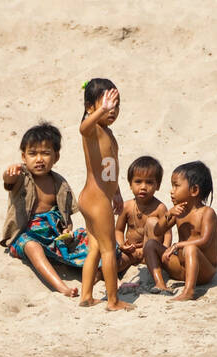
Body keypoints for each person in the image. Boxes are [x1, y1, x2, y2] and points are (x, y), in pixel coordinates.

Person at [1, 121, 86, 297]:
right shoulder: (21, 178)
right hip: (24, 235)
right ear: (24, 157)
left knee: (87, 236)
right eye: (33, 154)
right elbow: (8, 182)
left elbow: (66, 213)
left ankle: (98, 272)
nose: (39, 159)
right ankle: (62, 287)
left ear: (56, 157)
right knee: (33, 247)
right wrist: (9, 175)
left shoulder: (60, 183)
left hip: (53, 235)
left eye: (45, 153)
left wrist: (67, 229)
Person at [77, 79, 133, 311]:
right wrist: (99, 110)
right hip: (96, 198)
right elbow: (82, 128)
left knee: (95, 249)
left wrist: (117, 192)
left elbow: (110, 166)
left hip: (99, 197)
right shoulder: (92, 130)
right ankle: (113, 300)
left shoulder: (108, 134)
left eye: (116, 106)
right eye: (108, 105)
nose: (113, 111)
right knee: (109, 249)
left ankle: (86, 296)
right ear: (91, 107)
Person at [142, 161, 217, 300]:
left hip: (203, 271)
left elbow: (204, 241)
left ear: (194, 190)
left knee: (191, 248)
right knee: (150, 245)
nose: (172, 191)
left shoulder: (207, 213)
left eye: (176, 186)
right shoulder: (179, 211)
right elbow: (158, 231)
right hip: (182, 267)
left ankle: (189, 291)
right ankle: (160, 283)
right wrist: (169, 214)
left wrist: (177, 245)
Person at [116, 156, 170, 276]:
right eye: (138, 181)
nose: (143, 187)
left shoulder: (160, 208)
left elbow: (167, 233)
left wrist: (165, 250)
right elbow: (118, 230)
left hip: (151, 253)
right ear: (130, 184)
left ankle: (150, 259)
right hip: (132, 251)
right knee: (116, 265)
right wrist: (121, 245)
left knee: (153, 222)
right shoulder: (127, 207)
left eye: (149, 182)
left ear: (158, 185)